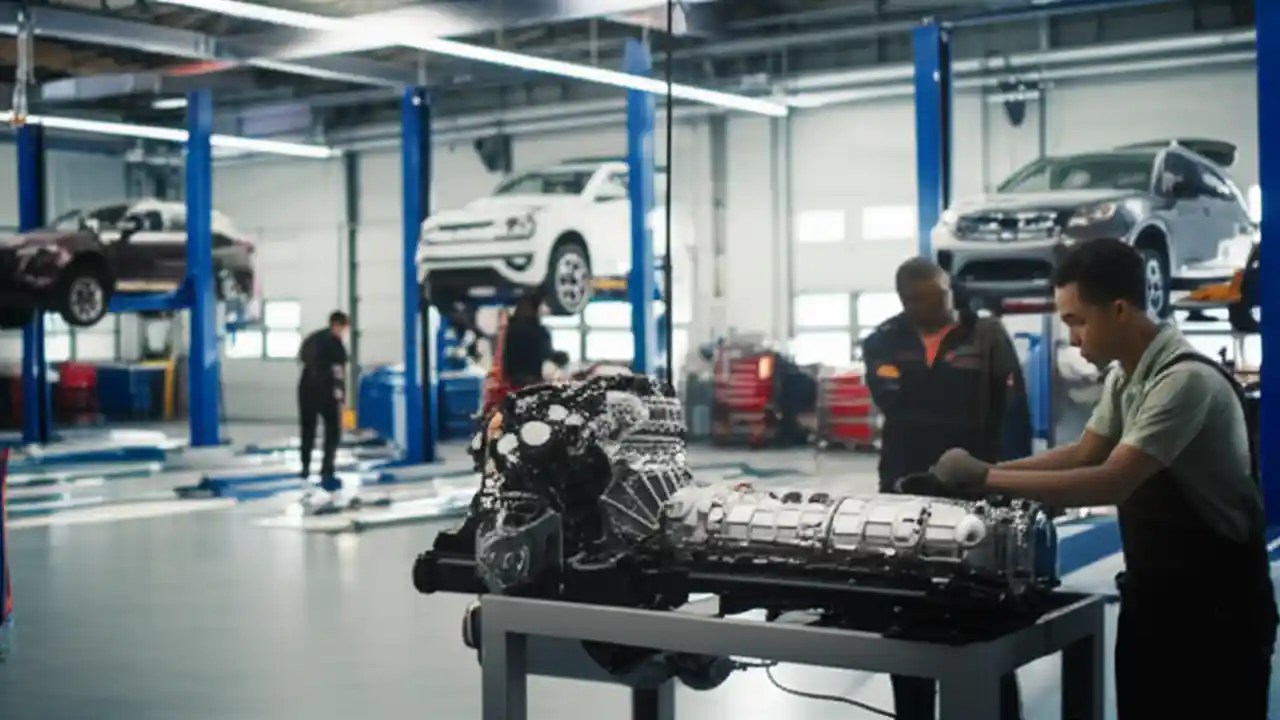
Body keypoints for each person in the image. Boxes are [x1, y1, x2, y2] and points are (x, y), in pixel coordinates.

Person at [924, 239, 1277, 718]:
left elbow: (1111, 480)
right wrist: (978, 478)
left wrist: (986, 477)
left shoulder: (1184, 382)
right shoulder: (1124, 377)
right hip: (1154, 601)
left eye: (1077, 321)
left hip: (1218, 614)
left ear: (1118, 310)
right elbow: (1085, 452)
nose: (1072, 338)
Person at [862, 257, 1030, 720]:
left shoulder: (988, 336)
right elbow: (891, 400)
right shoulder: (881, 340)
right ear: (905, 300)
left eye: (941, 294)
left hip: (975, 490)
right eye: (921, 299)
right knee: (908, 608)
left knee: (983, 605)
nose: (936, 304)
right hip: (902, 491)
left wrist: (1015, 480)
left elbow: (1013, 411)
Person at [297, 310, 350, 493]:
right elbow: (338, 375)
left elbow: (302, 359)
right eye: (343, 329)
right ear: (338, 325)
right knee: (333, 431)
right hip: (325, 392)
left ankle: (305, 468)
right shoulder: (336, 345)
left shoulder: (312, 339)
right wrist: (342, 400)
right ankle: (327, 470)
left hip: (305, 390)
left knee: (307, 430)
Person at [501, 292, 561, 389]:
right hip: (517, 378)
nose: (518, 309)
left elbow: (545, 357)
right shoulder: (509, 327)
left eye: (521, 306)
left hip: (522, 378)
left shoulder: (539, 333)